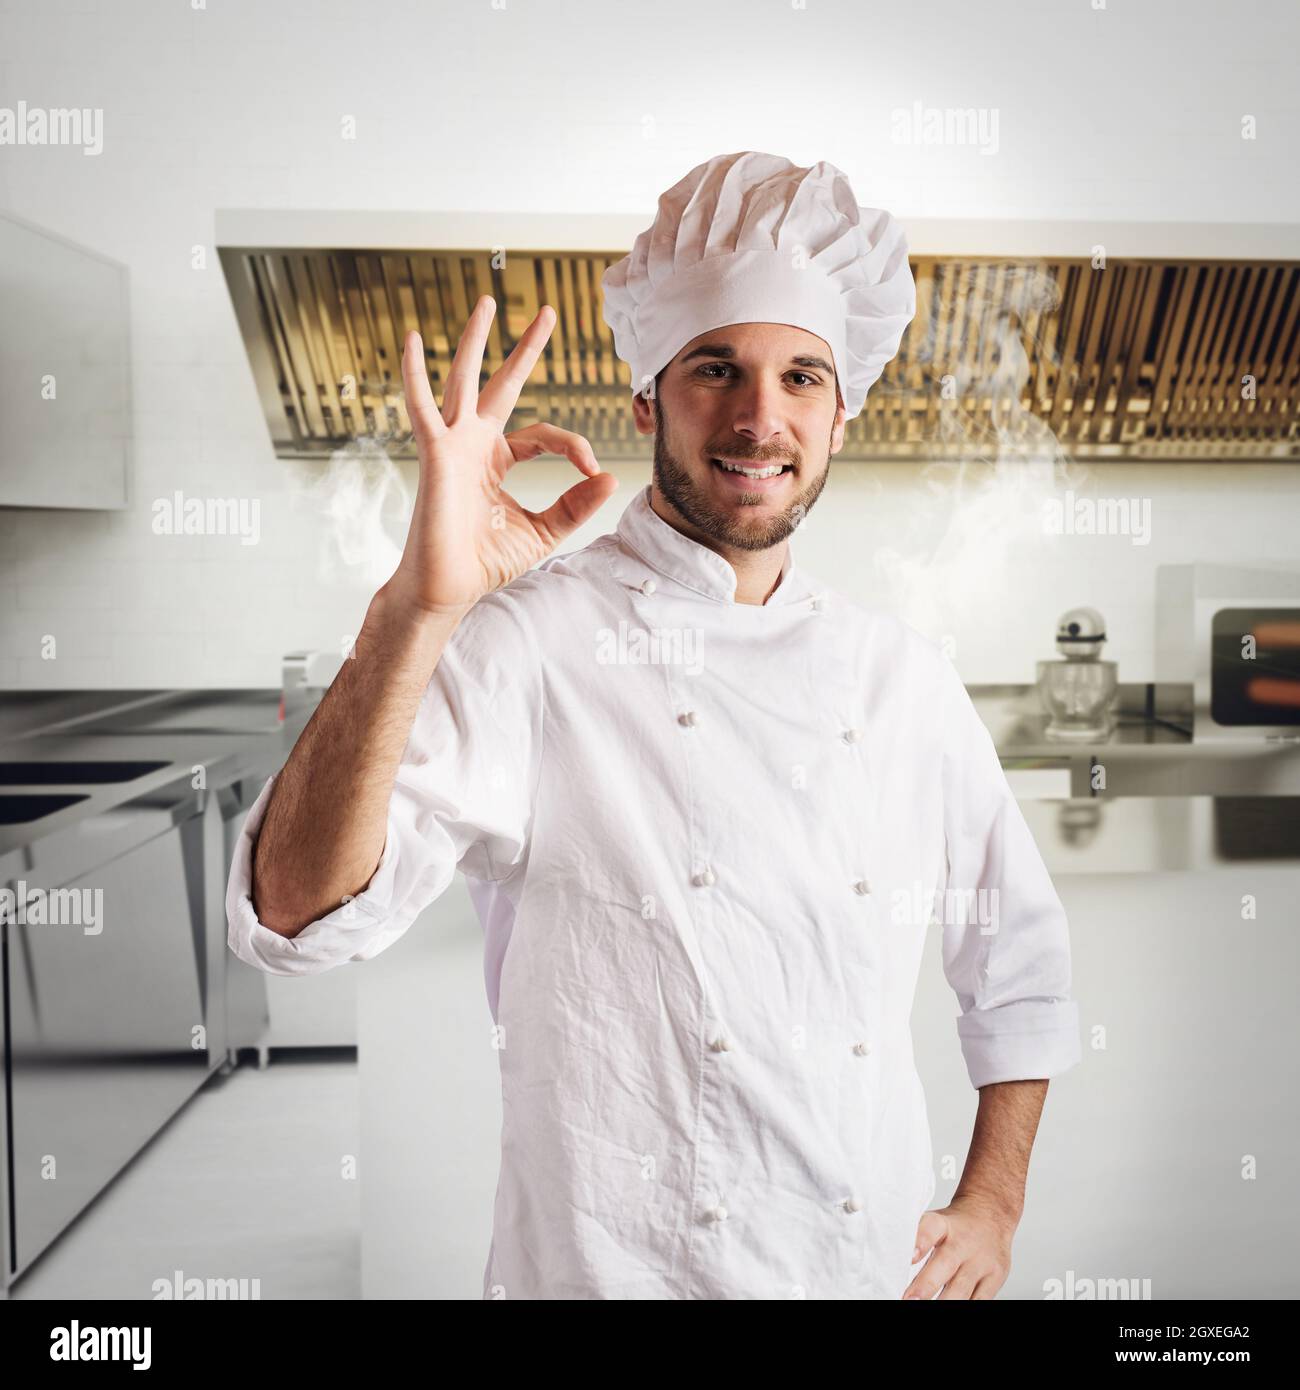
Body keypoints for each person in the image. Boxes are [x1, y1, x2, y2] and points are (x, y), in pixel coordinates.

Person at [227, 150, 1080, 1301]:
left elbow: (1017, 958)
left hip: (859, 1265)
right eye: (715, 368)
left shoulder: (902, 675)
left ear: (840, 417)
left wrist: (992, 1202)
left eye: (801, 377)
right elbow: (292, 915)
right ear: (646, 401)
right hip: (607, 1273)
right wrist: (412, 612)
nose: (759, 416)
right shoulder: (530, 640)